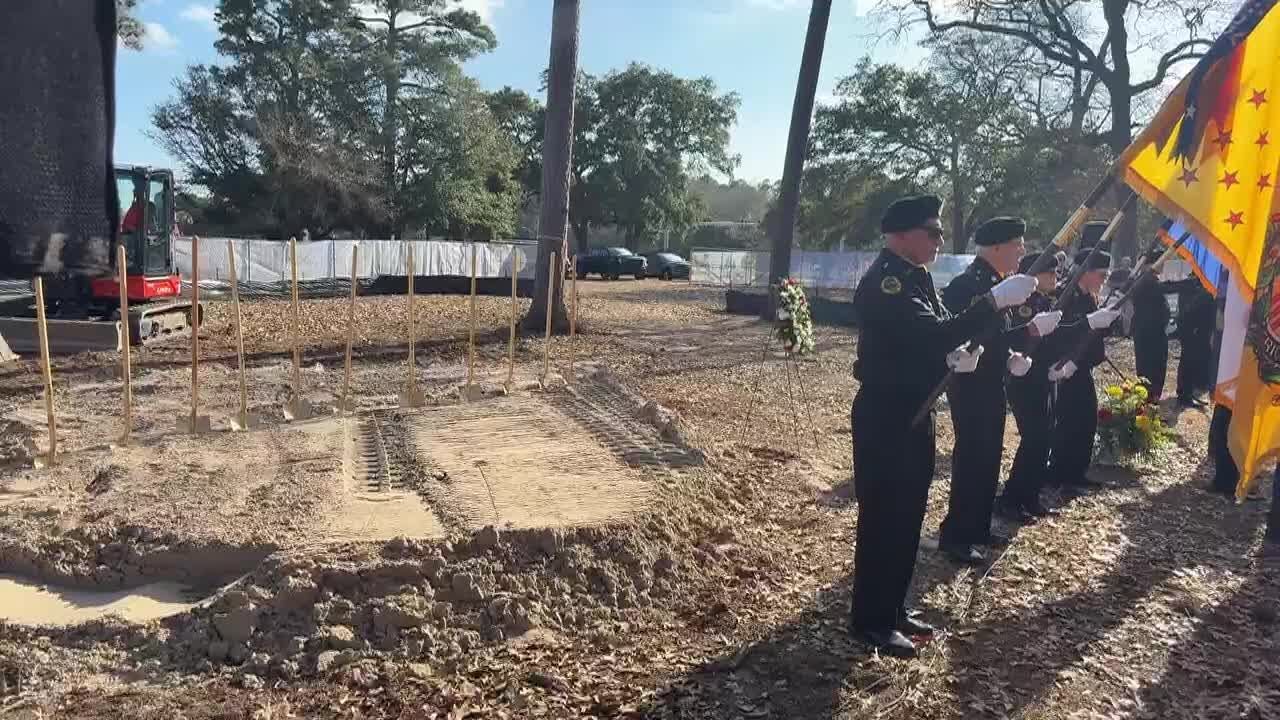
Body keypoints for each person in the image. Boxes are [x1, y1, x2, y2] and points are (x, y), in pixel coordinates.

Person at [849, 194, 1039, 657]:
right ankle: (870, 619)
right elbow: (933, 333)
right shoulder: (887, 282)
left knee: (909, 515)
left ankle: (893, 607)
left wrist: (957, 358)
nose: (938, 239)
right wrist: (992, 301)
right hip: (888, 414)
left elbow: (937, 334)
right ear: (901, 235)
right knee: (883, 519)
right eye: (930, 231)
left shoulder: (917, 277)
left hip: (916, 409)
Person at [938, 218, 1061, 564]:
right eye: (1016, 244)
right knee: (973, 458)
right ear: (995, 247)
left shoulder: (1001, 283)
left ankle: (976, 526)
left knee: (989, 457)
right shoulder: (967, 285)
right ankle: (956, 534)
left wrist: (1012, 353)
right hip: (969, 383)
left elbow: (997, 336)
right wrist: (1027, 334)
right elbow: (961, 333)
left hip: (991, 380)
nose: (1022, 250)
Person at [1043, 249, 1122, 492]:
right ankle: (1059, 472)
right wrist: (1068, 362)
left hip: (1083, 367)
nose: (1104, 280)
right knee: (1069, 422)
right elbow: (1060, 331)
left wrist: (1112, 318)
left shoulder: (1089, 296)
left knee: (1086, 421)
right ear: (1085, 273)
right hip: (1065, 369)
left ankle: (1076, 471)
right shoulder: (1067, 295)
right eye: (1101, 274)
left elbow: (1094, 333)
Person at [997, 251, 1064, 521]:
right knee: (1034, 437)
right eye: (1050, 273)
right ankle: (1012, 498)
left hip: (1044, 377)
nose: (1055, 277)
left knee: (1044, 437)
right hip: (1025, 379)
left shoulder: (1046, 301)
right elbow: (1017, 339)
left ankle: (1029, 496)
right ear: (1035, 276)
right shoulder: (1023, 304)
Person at [1176, 282, 1215, 407]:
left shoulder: (1198, 289)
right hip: (1193, 332)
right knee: (1188, 363)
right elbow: (1190, 313)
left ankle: (1186, 392)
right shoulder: (1202, 293)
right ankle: (1185, 395)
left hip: (1194, 331)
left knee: (1189, 363)